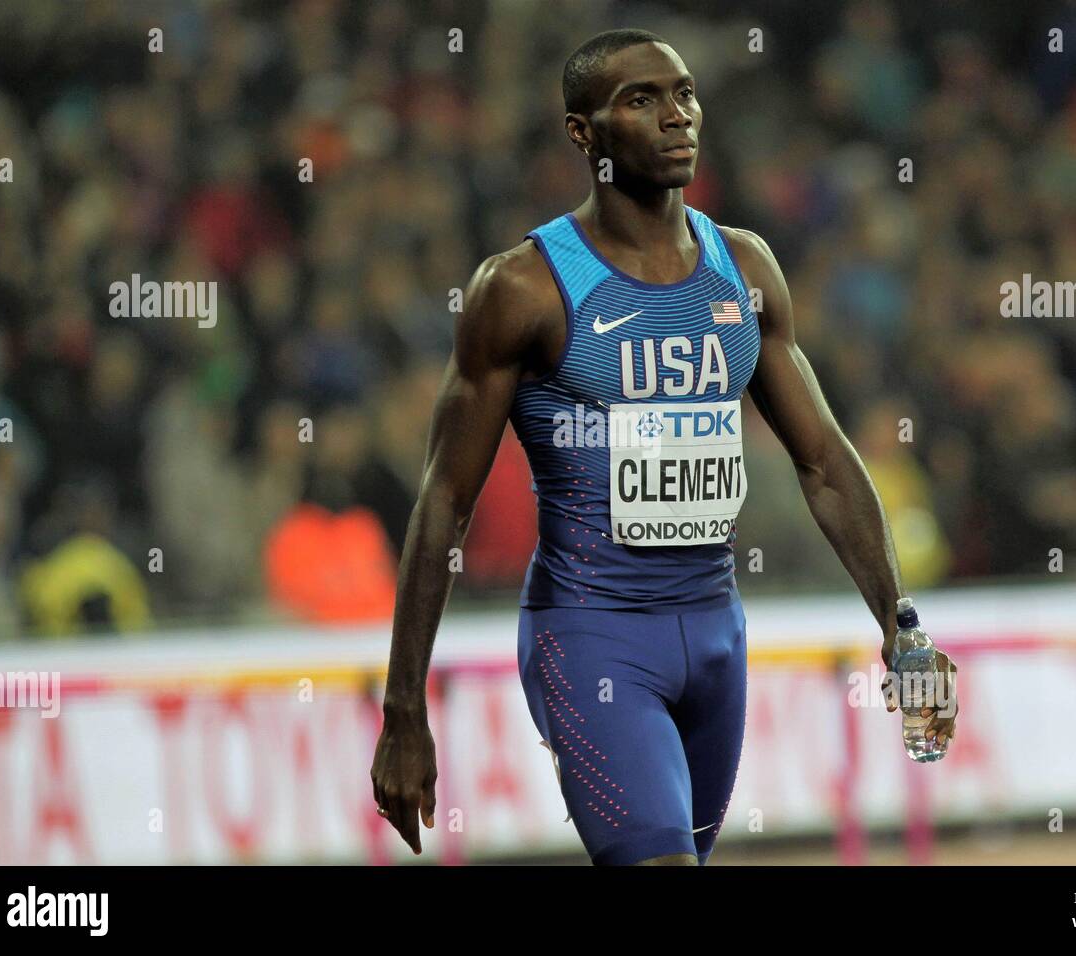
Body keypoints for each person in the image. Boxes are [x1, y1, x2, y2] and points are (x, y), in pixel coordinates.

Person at [371, 29, 958, 866]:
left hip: (717, 636)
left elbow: (824, 459)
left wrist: (901, 625)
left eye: (683, 94)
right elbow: (444, 500)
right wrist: (403, 710)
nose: (676, 116)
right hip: (592, 635)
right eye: (641, 100)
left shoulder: (743, 269)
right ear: (584, 133)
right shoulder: (524, 289)